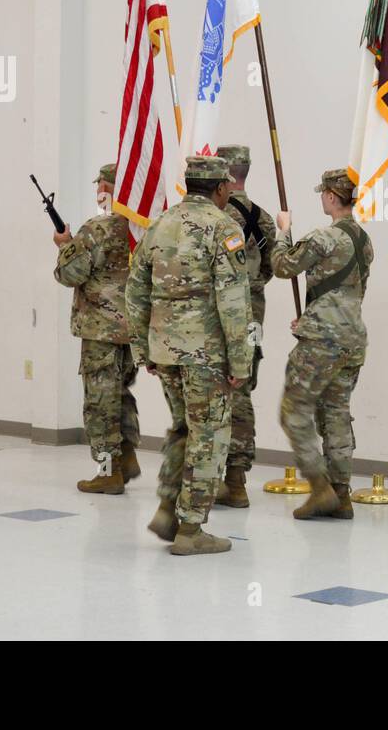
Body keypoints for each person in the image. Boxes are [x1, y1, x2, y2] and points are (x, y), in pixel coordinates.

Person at [126, 156, 252, 556]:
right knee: (209, 436)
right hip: (206, 352)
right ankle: (191, 529)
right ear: (219, 189)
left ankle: (167, 507)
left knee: (183, 427)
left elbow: (136, 289)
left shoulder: (160, 224)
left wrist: (142, 348)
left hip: (165, 349)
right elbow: (233, 301)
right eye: (227, 188)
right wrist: (240, 362)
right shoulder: (223, 228)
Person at [272, 169, 373, 520]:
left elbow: (283, 266)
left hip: (322, 341)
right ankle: (341, 493)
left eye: (323, 194)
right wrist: (314, 315)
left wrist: (283, 231)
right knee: (337, 413)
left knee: (294, 412)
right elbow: (347, 291)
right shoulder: (364, 240)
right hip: (351, 338)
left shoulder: (324, 237)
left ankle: (319, 488)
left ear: (331, 197)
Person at [52, 163, 141, 494]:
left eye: (101, 185)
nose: (97, 191)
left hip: (100, 330)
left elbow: (69, 274)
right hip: (131, 328)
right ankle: (126, 456)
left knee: (100, 402)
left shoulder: (98, 229)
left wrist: (64, 246)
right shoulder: (140, 229)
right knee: (121, 394)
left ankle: (108, 472)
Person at [213, 144, 276, 508]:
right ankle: (236, 480)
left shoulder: (219, 220)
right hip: (254, 314)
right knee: (243, 391)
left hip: (221, 316)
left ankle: (215, 477)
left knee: (217, 395)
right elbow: (270, 268)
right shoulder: (263, 219)